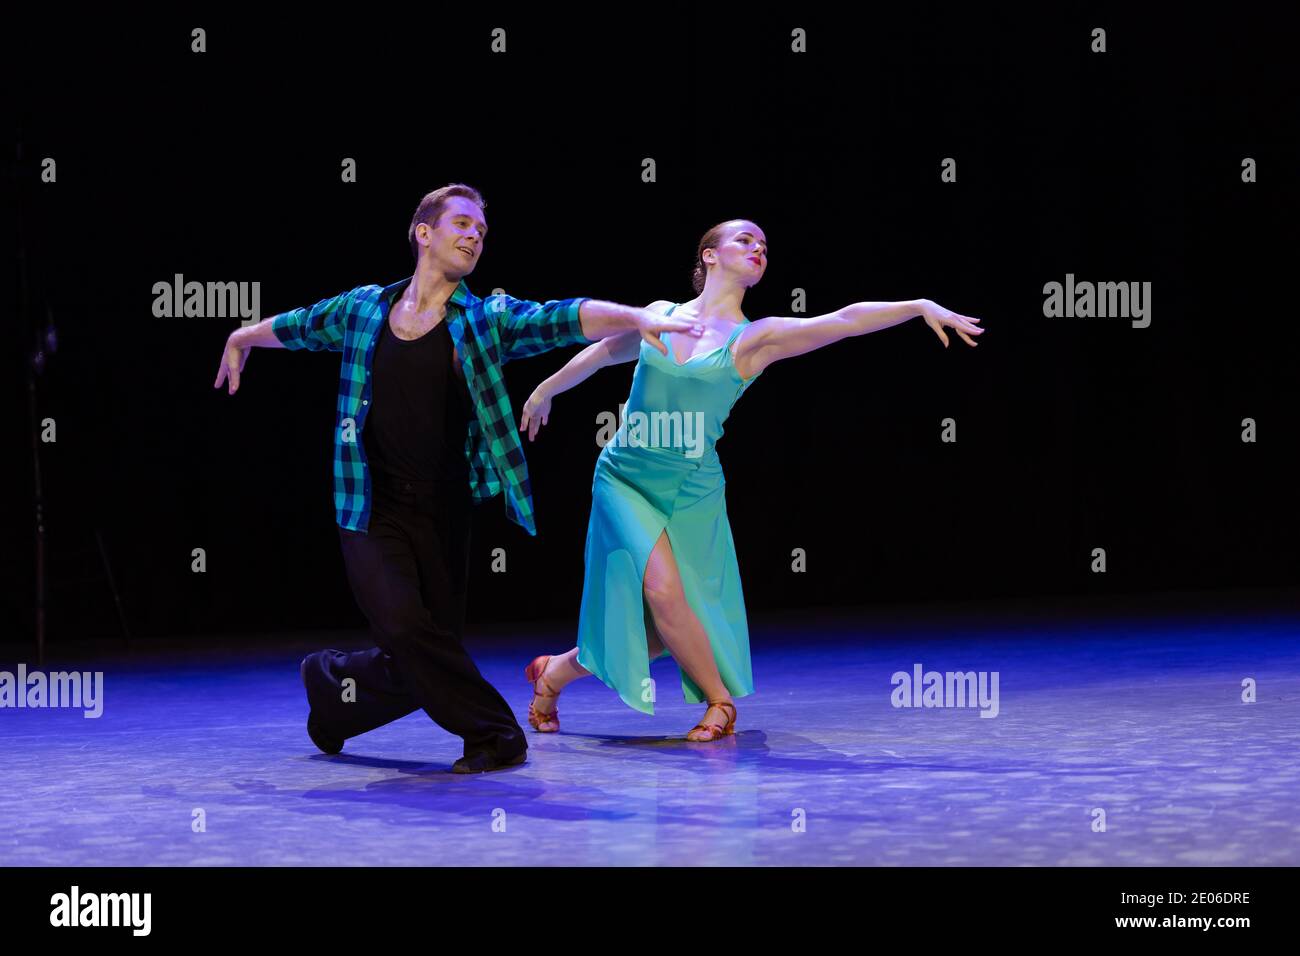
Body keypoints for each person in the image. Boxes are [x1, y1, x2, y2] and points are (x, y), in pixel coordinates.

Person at [212, 183, 703, 772]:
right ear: (424, 231)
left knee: (420, 652)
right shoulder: (364, 308)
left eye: (481, 230)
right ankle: (496, 735)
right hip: (369, 506)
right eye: (462, 223)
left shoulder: (483, 319)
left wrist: (634, 316)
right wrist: (243, 336)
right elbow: (300, 325)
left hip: (444, 510)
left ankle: (331, 691)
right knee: (406, 626)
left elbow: (560, 318)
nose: (474, 235)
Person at [517, 218, 983, 740]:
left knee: (670, 627)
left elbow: (845, 320)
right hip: (625, 478)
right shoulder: (661, 316)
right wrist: (547, 389)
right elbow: (606, 351)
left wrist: (917, 306)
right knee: (664, 593)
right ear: (709, 256)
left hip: (694, 488)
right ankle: (720, 704)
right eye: (745, 240)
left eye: (764, 245)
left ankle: (554, 671)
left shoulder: (754, 339)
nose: (758, 248)